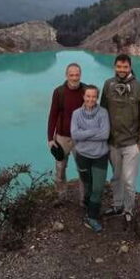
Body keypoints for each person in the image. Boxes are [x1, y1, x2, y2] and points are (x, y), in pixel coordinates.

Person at [100, 54, 140, 224]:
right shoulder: (108, 85)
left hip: (131, 144)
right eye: (119, 67)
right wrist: (103, 137)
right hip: (113, 142)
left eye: (125, 67)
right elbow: (103, 112)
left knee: (129, 181)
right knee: (116, 177)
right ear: (115, 67)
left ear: (130, 67)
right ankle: (117, 205)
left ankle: (128, 210)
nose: (122, 70)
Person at [70, 85, 110, 232]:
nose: (91, 99)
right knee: (87, 185)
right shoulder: (76, 114)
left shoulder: (103, 113)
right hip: (82, 156)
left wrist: (84, 133)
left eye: (94, 96)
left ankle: (92, 217)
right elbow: (75, 134)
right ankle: (89, 208)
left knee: (98, 187)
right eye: (88, 96)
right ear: (83, 97)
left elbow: (105, 134)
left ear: (97, 97)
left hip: (100, 156)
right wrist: (95, 131)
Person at [47, 63, 87, 202]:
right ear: (66, 75)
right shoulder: (59, 92)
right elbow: (53, 115)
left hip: (81, 138)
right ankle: (61, 196)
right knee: (60, 169)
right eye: (71, 75)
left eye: (77, 75)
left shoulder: (86, 90)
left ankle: (84, 200)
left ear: (80, 75)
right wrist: (50, 138)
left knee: (83, 170)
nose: (74, 78)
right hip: (62, 137)